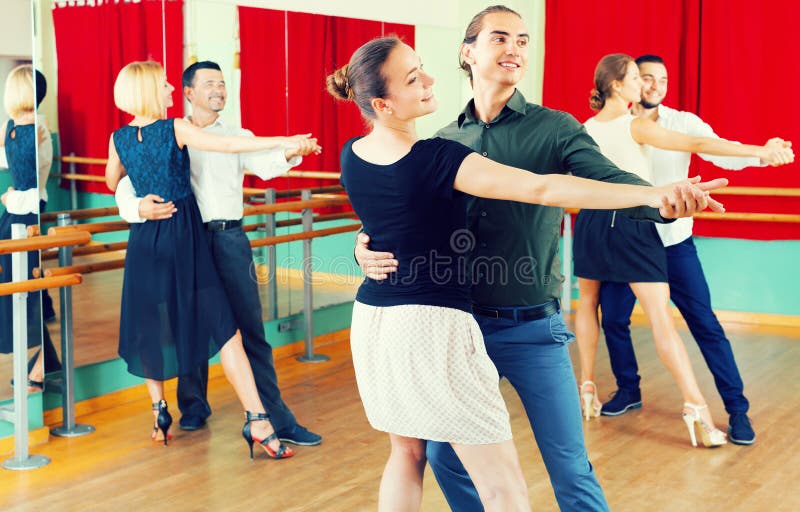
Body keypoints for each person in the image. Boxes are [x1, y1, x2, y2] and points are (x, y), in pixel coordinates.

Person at [354, 6, 727, 511]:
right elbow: (403, 215)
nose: (515, 48)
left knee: (570, 466)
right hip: (457, 330)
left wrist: (660, 199)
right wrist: (363, 244)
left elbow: (602, 179)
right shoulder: (440, 142)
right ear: (468, 52)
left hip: (531, 329)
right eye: (500, 38)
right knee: (444, 458)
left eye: (524, 40)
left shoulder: (554, 128)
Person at [572, 53, 793, 448]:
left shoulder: (674, 122)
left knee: (703, 324)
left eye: (661, 79)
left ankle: (737, 410)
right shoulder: (622, 124)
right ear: (624, 83)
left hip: (666, 240)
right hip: (628, 233)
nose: (652, 85)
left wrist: (759, 153)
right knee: (618, 320)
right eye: (643, 77)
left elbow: (708, 146)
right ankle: (634, 391)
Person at [105, 60, 316, 458]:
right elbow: (126, 184)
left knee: (212, 327)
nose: (218, 89)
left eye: (222, 83)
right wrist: (136, 205)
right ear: (186, 92)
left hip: (187, 240)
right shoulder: (174, 128)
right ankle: (224, 414)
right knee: (205, 328)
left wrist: (287, 149)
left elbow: (112, 178)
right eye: (209, 83)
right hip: (183, 237)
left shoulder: (124, 137)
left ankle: (174, 411)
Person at [0, 64, 55, 393]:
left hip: (28, 211)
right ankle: (43, 361)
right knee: (14, 287)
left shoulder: (40, 129)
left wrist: (11, 198)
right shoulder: (11, 127)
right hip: (14, 211)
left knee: (26, 289)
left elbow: (36, 187)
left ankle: (42, 364)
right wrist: (11, 197)